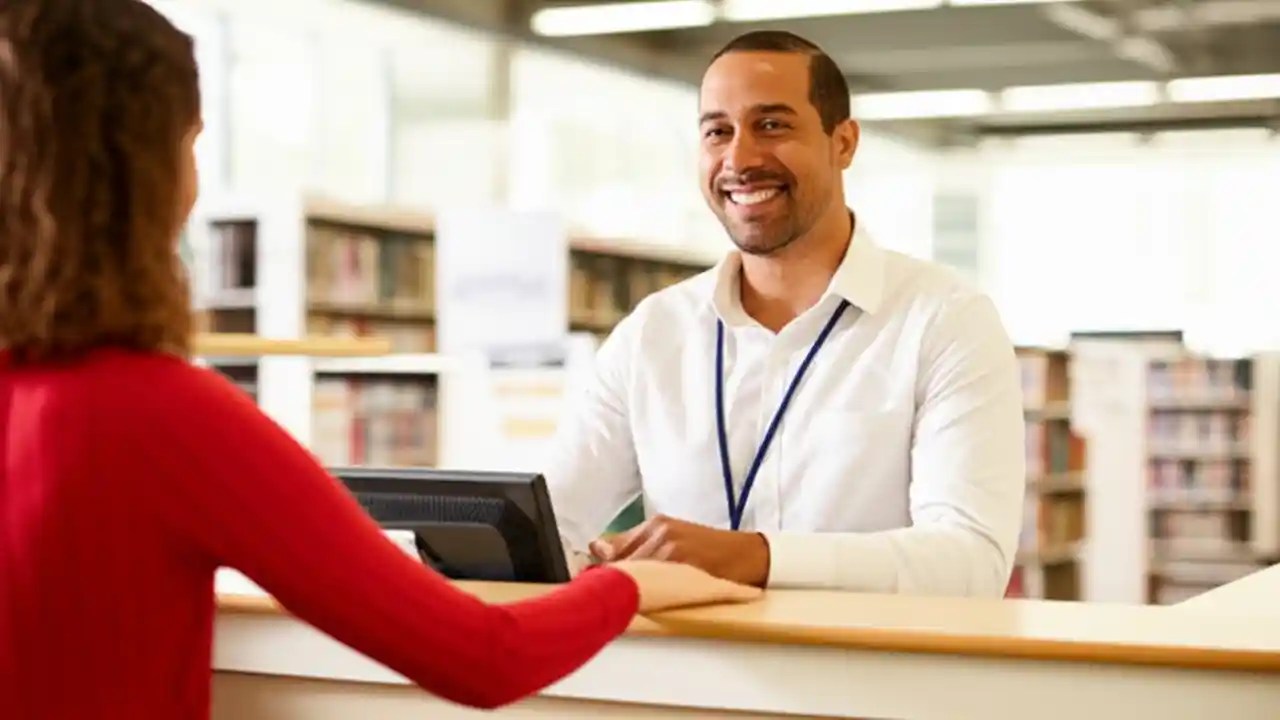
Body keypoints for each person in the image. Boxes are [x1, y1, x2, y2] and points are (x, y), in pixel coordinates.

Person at [0, 2, 760, 718]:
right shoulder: (161, 415)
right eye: (191, 143)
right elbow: (483, 657)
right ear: (136, 170)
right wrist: (627, 587)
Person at [544, 30, 1026, 598]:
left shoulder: (944, 321)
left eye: (772, 125)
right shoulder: (654, 333)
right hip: (684, 683)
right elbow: (549, 520)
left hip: (869, 682)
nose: (740, 159)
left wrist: (755, 557)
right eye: (718, 132)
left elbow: (969, 564)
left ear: (842, 143)